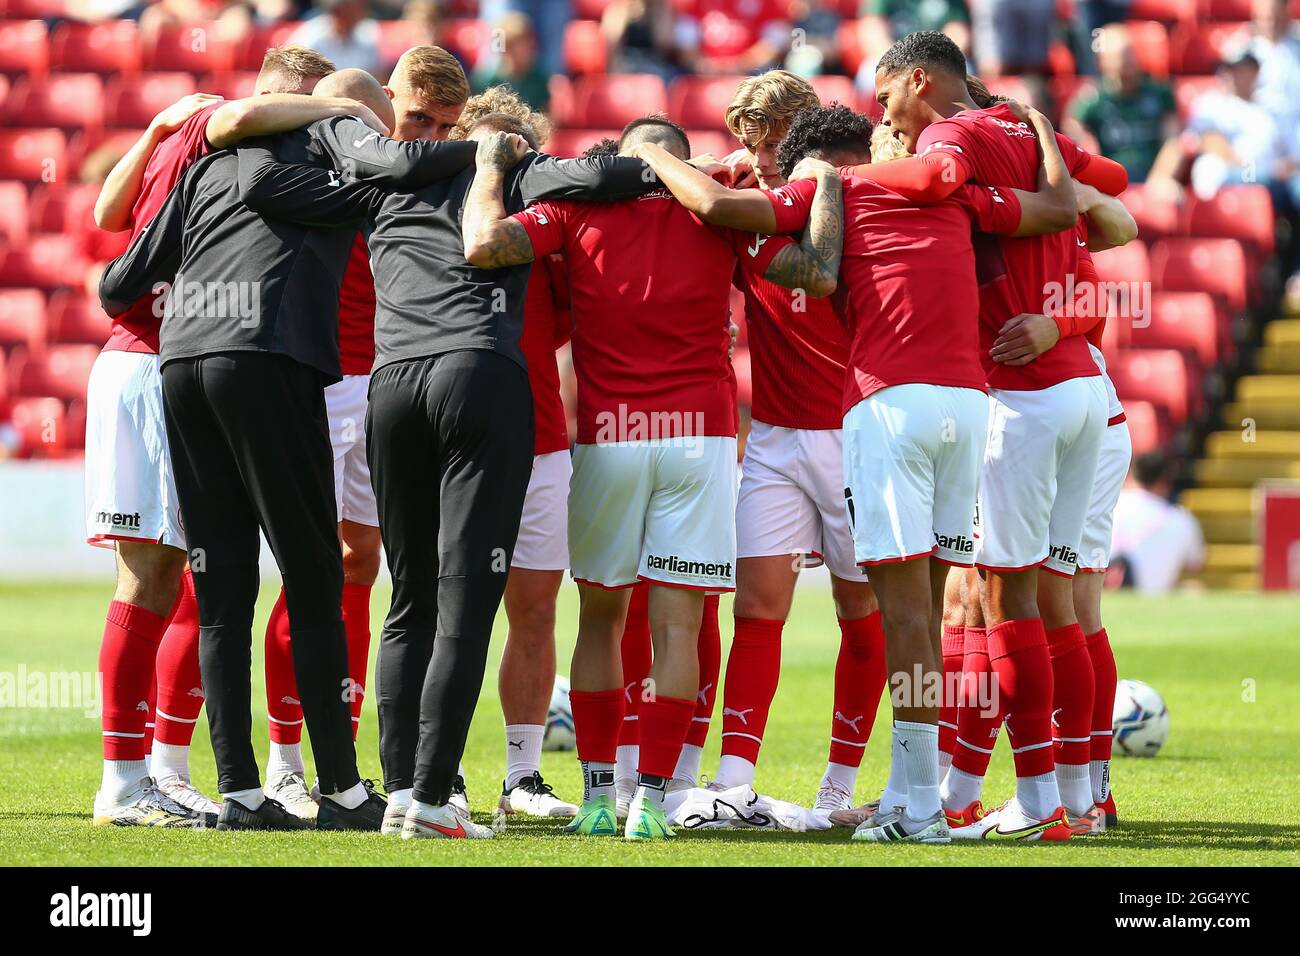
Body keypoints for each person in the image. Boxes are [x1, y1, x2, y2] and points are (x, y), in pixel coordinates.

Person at [249, 57, 698, 839]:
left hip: (392, 385)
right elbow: (611, 178)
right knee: (466, 605)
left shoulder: (376, 180)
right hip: (480, 379)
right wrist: (680, 165)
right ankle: (431, 799)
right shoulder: (514, 169)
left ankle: (398, 795)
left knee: (408, 602)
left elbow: (265, 189)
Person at [462, 115, 844, 840]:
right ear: (680, 160)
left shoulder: (574, 207)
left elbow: (485, 243)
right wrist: (822, 181)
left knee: (601, 618)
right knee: (680, 625)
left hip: (609, 440)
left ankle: (603, 795)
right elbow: (816, 274)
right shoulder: (720, 212)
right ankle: (654, 804)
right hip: (699, 441)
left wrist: (486, 166)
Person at [95, 73, 413, 833]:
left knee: (222, 587)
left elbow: (118, 284)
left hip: (180, 370)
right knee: (313, 579)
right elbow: (396, 190)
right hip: (270, 368)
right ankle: (339, 790)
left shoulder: (205, 170)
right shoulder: (330, 173)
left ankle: (239, 793)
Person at [861, 31, 1128, 841]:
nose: (888, 120)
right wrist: (1053, 162)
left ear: (919, 81)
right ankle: (1077, 796)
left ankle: (1039, 802)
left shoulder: (949, 139)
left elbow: (937, 175)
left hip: (1018, 397)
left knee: (1003, 602)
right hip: (1086, 387)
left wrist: (848, 178)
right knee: (1061, 600)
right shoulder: (1019, 126)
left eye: (887, 101)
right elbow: (1111, 194)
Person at [669, 70, 889, 816]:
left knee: (863, 615)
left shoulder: (858, 197)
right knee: (757, 610)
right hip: (773, 437)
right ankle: (732, 782)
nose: (758, 159)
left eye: (770, 145)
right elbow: (693, 177)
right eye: (749, 145)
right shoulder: (743, 194)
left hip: (855, 434)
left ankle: (839, 789)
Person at [450, 86, 578, 819]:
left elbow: (567, 319)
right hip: (460, 441)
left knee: (534, 609)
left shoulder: (546, 231)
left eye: (514, 150)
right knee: (452, 608)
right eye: (488, 148)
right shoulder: (434, 218)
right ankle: (445, 772)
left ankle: (523, 777)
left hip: (542, 438)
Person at [1065, 23, 1180, 184]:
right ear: (1103, 62)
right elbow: (1074, 132)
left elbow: (1173, 141)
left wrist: (1161, 176)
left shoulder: (1159, 93)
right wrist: (1092, 165)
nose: (1126, 64)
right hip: (1109, 178)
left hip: (1152, 176)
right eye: (1119, 58)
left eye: (1129, 55)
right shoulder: (1092, 98)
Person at [1111, 453, 1206, 594]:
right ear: (1164, 481)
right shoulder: (1182, 519)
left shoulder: (1112, 506)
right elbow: (1196, 564)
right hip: (1157, 601)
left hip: (1104, 597)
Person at [472, 11, 551, 112]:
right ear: (507, 48)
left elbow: (548, 116)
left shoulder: (540, 78)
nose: (529, 48)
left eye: (529, 41)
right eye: (521, 44)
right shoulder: (485, 79)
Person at [289, 0, 383, 75]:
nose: (362, 13)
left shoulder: (367, 35)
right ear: (338, 11)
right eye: (356, 8)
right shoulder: (309, 38)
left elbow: (378, 76)